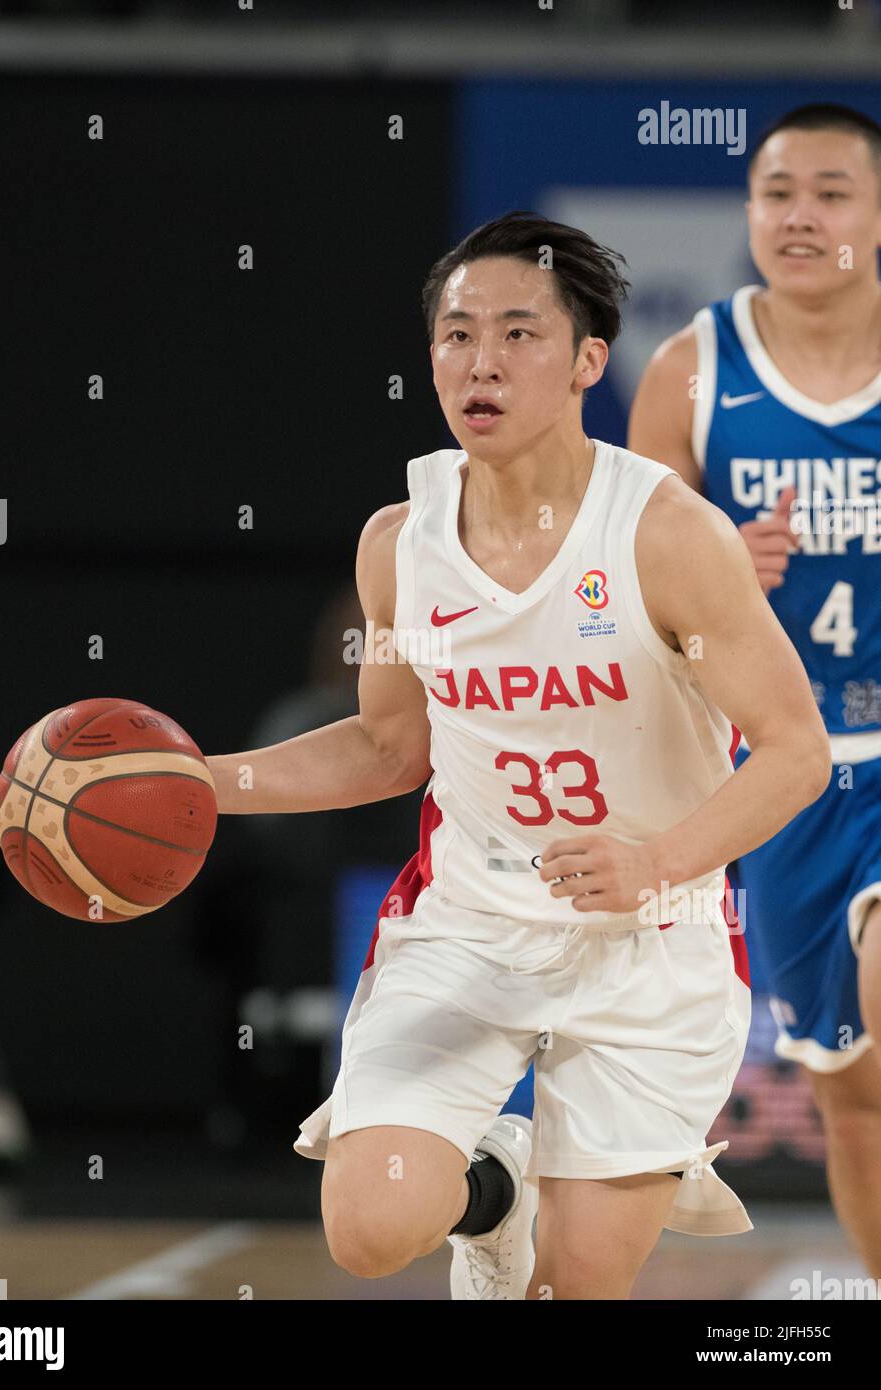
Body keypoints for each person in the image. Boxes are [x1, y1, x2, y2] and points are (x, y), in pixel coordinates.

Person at [207, 210, 831, 1300]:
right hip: (470, 926)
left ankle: (518, 1206)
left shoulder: (668, 535)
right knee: (368, 1227)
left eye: (516, 333)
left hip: (647, 935)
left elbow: (794, 753)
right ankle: (489, 1187)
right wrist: (200, 782)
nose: (479, 361)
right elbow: (388, 745)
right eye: (455, 335)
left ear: (591, 358)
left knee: (576, 1290)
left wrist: (657, 860)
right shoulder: (399, 543)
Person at [629, 103, 881, 1279]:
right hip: (780, 776)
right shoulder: (689, 370)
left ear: (873, 215)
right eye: (776, 191)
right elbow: (618, 604)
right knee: (854, 1105)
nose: (798, 215)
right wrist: (711, 567)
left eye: (828, 191)